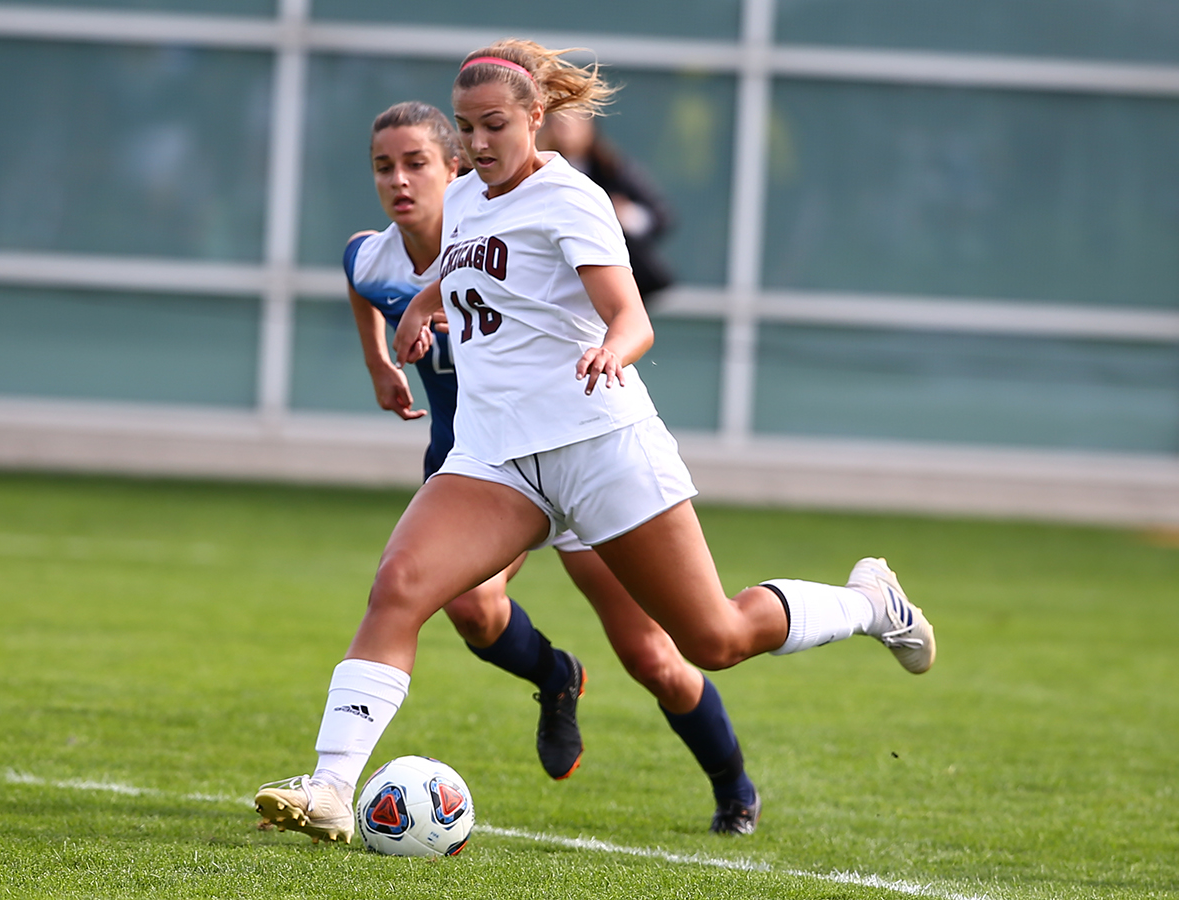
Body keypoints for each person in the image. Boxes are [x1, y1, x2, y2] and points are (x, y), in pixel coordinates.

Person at [254, 40, 936, 846]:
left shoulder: (573, 198)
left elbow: (632, 314)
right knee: (400, 584)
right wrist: (422, 302)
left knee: (711, 640)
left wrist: (615, 346)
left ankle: (869, 602)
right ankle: (332, 785)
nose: (476, 144)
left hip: (598, 443)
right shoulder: (469, 197)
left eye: (494, 126)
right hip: (496, 457)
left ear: (536, 118)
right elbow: (466, 261)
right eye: (467, 128)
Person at [314, 99, 761, 833]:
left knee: (656, 652)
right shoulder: (377, 254)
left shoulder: (509, 223)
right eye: (383, 167)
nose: (399, 181)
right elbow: (359, 276)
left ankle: (733, 785)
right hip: (484, 469)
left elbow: (614, 300)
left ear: (456, 167)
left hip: (575, 455)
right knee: (466, 605)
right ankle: (556, 678)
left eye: (417, 163)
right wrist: (378, 364)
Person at [536, 109, 675, 301]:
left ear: (589, 127)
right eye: (558, 123)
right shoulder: (540, 174)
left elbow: (661, 216)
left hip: (610, 276)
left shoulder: (612, 168)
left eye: (572, 122)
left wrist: (625, 215)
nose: (564, 129)